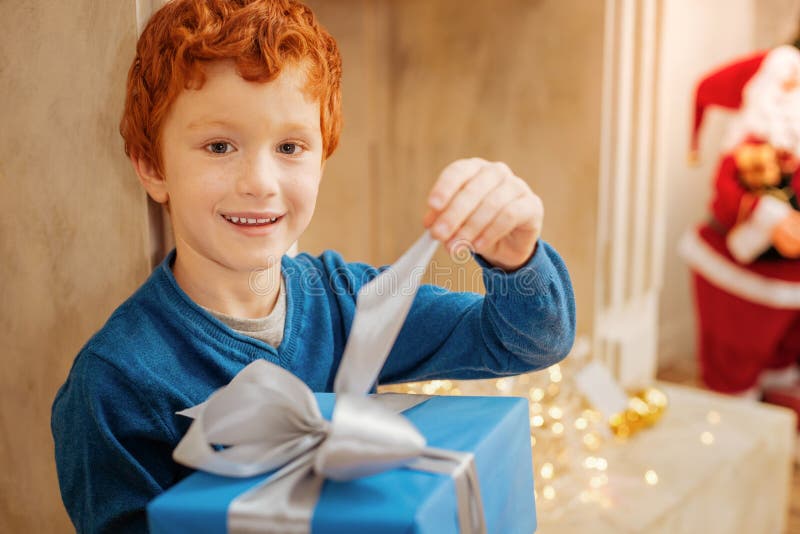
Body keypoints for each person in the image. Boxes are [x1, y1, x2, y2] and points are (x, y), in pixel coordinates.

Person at [50, 1, 576, 532]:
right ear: (152, 167)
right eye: (218, 145)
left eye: (290, 146)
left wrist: (516, 257)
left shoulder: (352, 302)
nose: (260, 182)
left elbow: (529, 339)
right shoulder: (114, 384)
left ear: (322, 158)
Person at [681, 45, 800, 397]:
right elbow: (728, 194)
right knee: (732, 373)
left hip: (790, 285)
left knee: (784, 369)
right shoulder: (751, 146)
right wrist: (771, 218)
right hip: (738, 277)